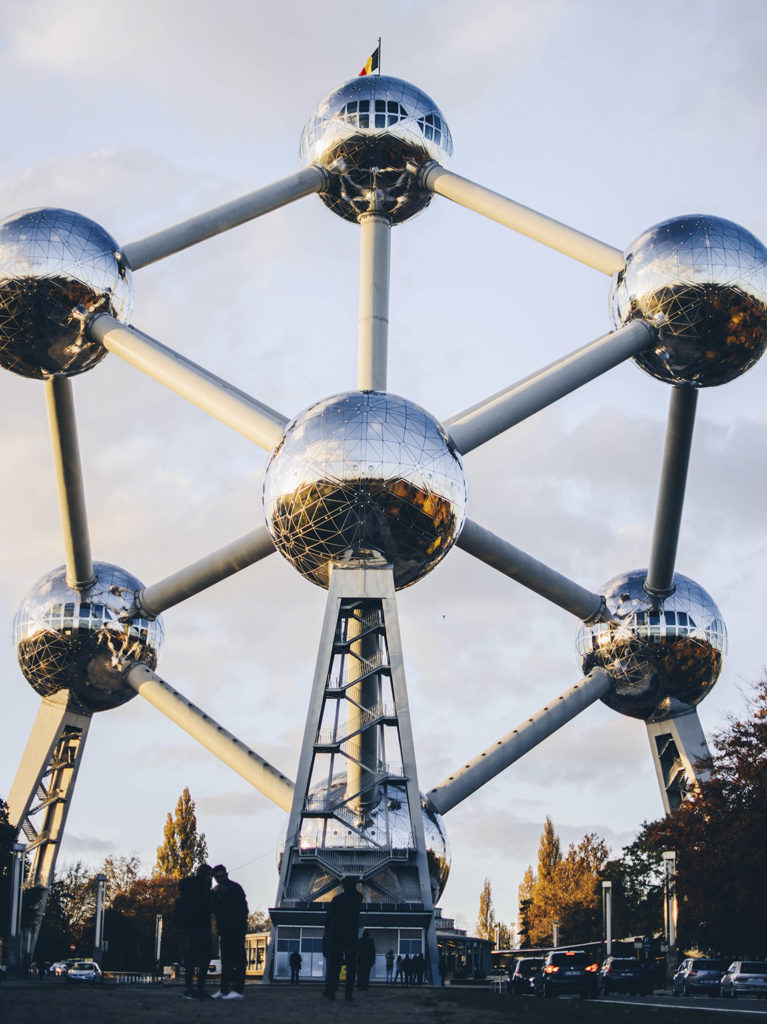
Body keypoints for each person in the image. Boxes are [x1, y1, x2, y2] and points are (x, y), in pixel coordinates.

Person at [173, 864, 213, 1000]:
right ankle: (196, 988)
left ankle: (190, 988)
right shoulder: (201, 891)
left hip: (192, 928)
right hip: (198, 928)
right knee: (201, 958)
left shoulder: (190, 888)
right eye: (208, 875)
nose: (209, 878)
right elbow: (205, 907)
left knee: (193, 959)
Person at [321, 876, 362, 1002]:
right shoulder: (357, 898)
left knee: (335, 966)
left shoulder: (337, 900)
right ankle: (348, 994)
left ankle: (331, 990)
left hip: (337, 934)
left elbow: (328, 918)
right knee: (351, 966)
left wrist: (328, 932)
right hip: (351, 935)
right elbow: (357, 895)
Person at [210, 864, 248, 1000]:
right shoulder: (217, 892)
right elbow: (213, 909)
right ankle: (224, 989)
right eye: (218, 877)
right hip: (225, 930)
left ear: (226, 874)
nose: (220, 879)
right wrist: (214, 895)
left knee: (238, 960)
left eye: (222, 876)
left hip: (236, 929)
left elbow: (243, 910)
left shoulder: (235, 889)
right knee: (226, 961)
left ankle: (238, 990)